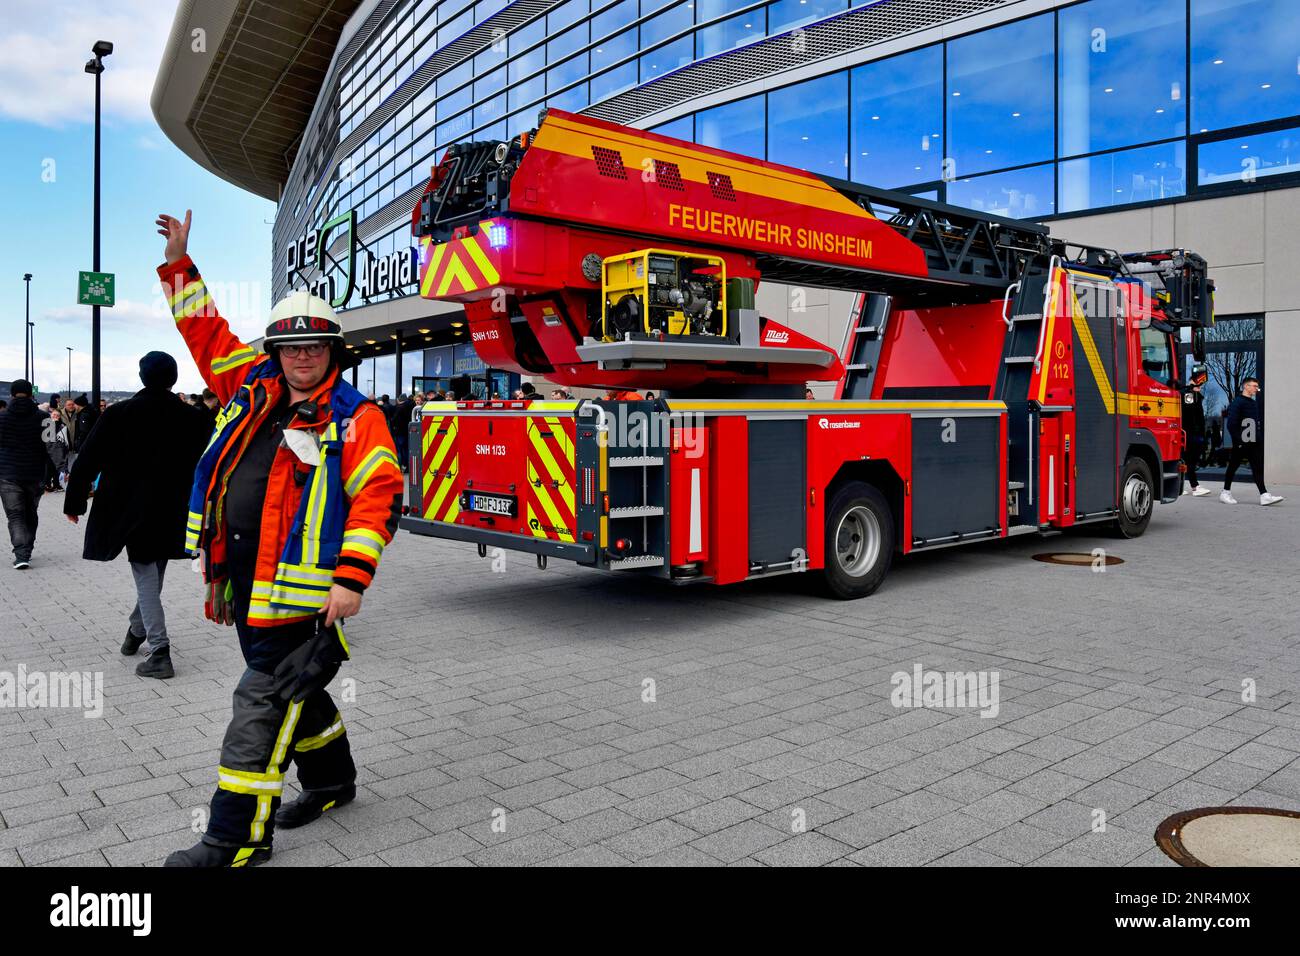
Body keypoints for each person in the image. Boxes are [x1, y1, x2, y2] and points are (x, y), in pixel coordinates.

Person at [155, 209, 404, 867]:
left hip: (300, 596)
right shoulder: (251, 385)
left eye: (314, 348)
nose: (302, 357)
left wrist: (351, 580)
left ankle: (235, 838)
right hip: (242, 585)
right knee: (303, 691)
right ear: (276, 353)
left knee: (260, 704)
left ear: (333, 352)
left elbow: (380, 495)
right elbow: (205, 335)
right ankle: (331, 782)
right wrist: (180, 264)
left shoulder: (356, 416)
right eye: (291, 348)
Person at [63, 352, 210, 679]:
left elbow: (88, 458)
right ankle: (136, 632)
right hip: (177, 508)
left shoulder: (120, 413)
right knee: (152, 573)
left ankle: (159, 651)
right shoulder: (194, 417)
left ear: (142, 377)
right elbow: (211, 465)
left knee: (146, 573)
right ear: (173, 378)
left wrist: (74, 502)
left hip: (132, 509)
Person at [0, 380, 49, 569]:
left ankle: (21, 554)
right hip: (35, 473)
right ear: (31, 394)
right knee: (31, 513)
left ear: (12, 395)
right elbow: (53, 446)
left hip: (7, 474)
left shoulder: (1, 418)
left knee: (15, 515)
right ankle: (27, 548)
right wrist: (61, 469)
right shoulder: (44, 418)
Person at [1220, 377, 1283, 506]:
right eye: (1254, 386)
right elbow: (1231, 424)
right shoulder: (1237, 402)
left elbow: (1255, 423)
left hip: (1254, 441)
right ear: (1246, 386)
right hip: (1242, 442)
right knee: (1233, 466)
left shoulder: (1253, 403)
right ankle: (1225, 492)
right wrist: (1239, 441)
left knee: (1257, 468)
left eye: (1256, 386)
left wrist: (1258, 439)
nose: (1256, 389)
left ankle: (1264, 495)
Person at [1180, 364, 1211, 497]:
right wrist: (1192, 389)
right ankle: (1195, 486)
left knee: (1186, 461)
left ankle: (1181, 487)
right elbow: (1189, 411)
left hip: (1195, 434)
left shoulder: (1194, 395)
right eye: (1199, 383)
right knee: (1189, 460)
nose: (1201, 386)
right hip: (1190, 434)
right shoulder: (1188, 394)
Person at [43, 408, 70, 492]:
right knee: (48, 468)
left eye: (57, 415)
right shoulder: (46, 423)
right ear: (51, 415)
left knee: (57, 468)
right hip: (48, 449)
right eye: (54, 414)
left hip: (59, 449)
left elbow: (65, 437)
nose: (55, 416)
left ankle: (57, 484)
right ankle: (47, 484)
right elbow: (47, 437)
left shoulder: (62, 425)